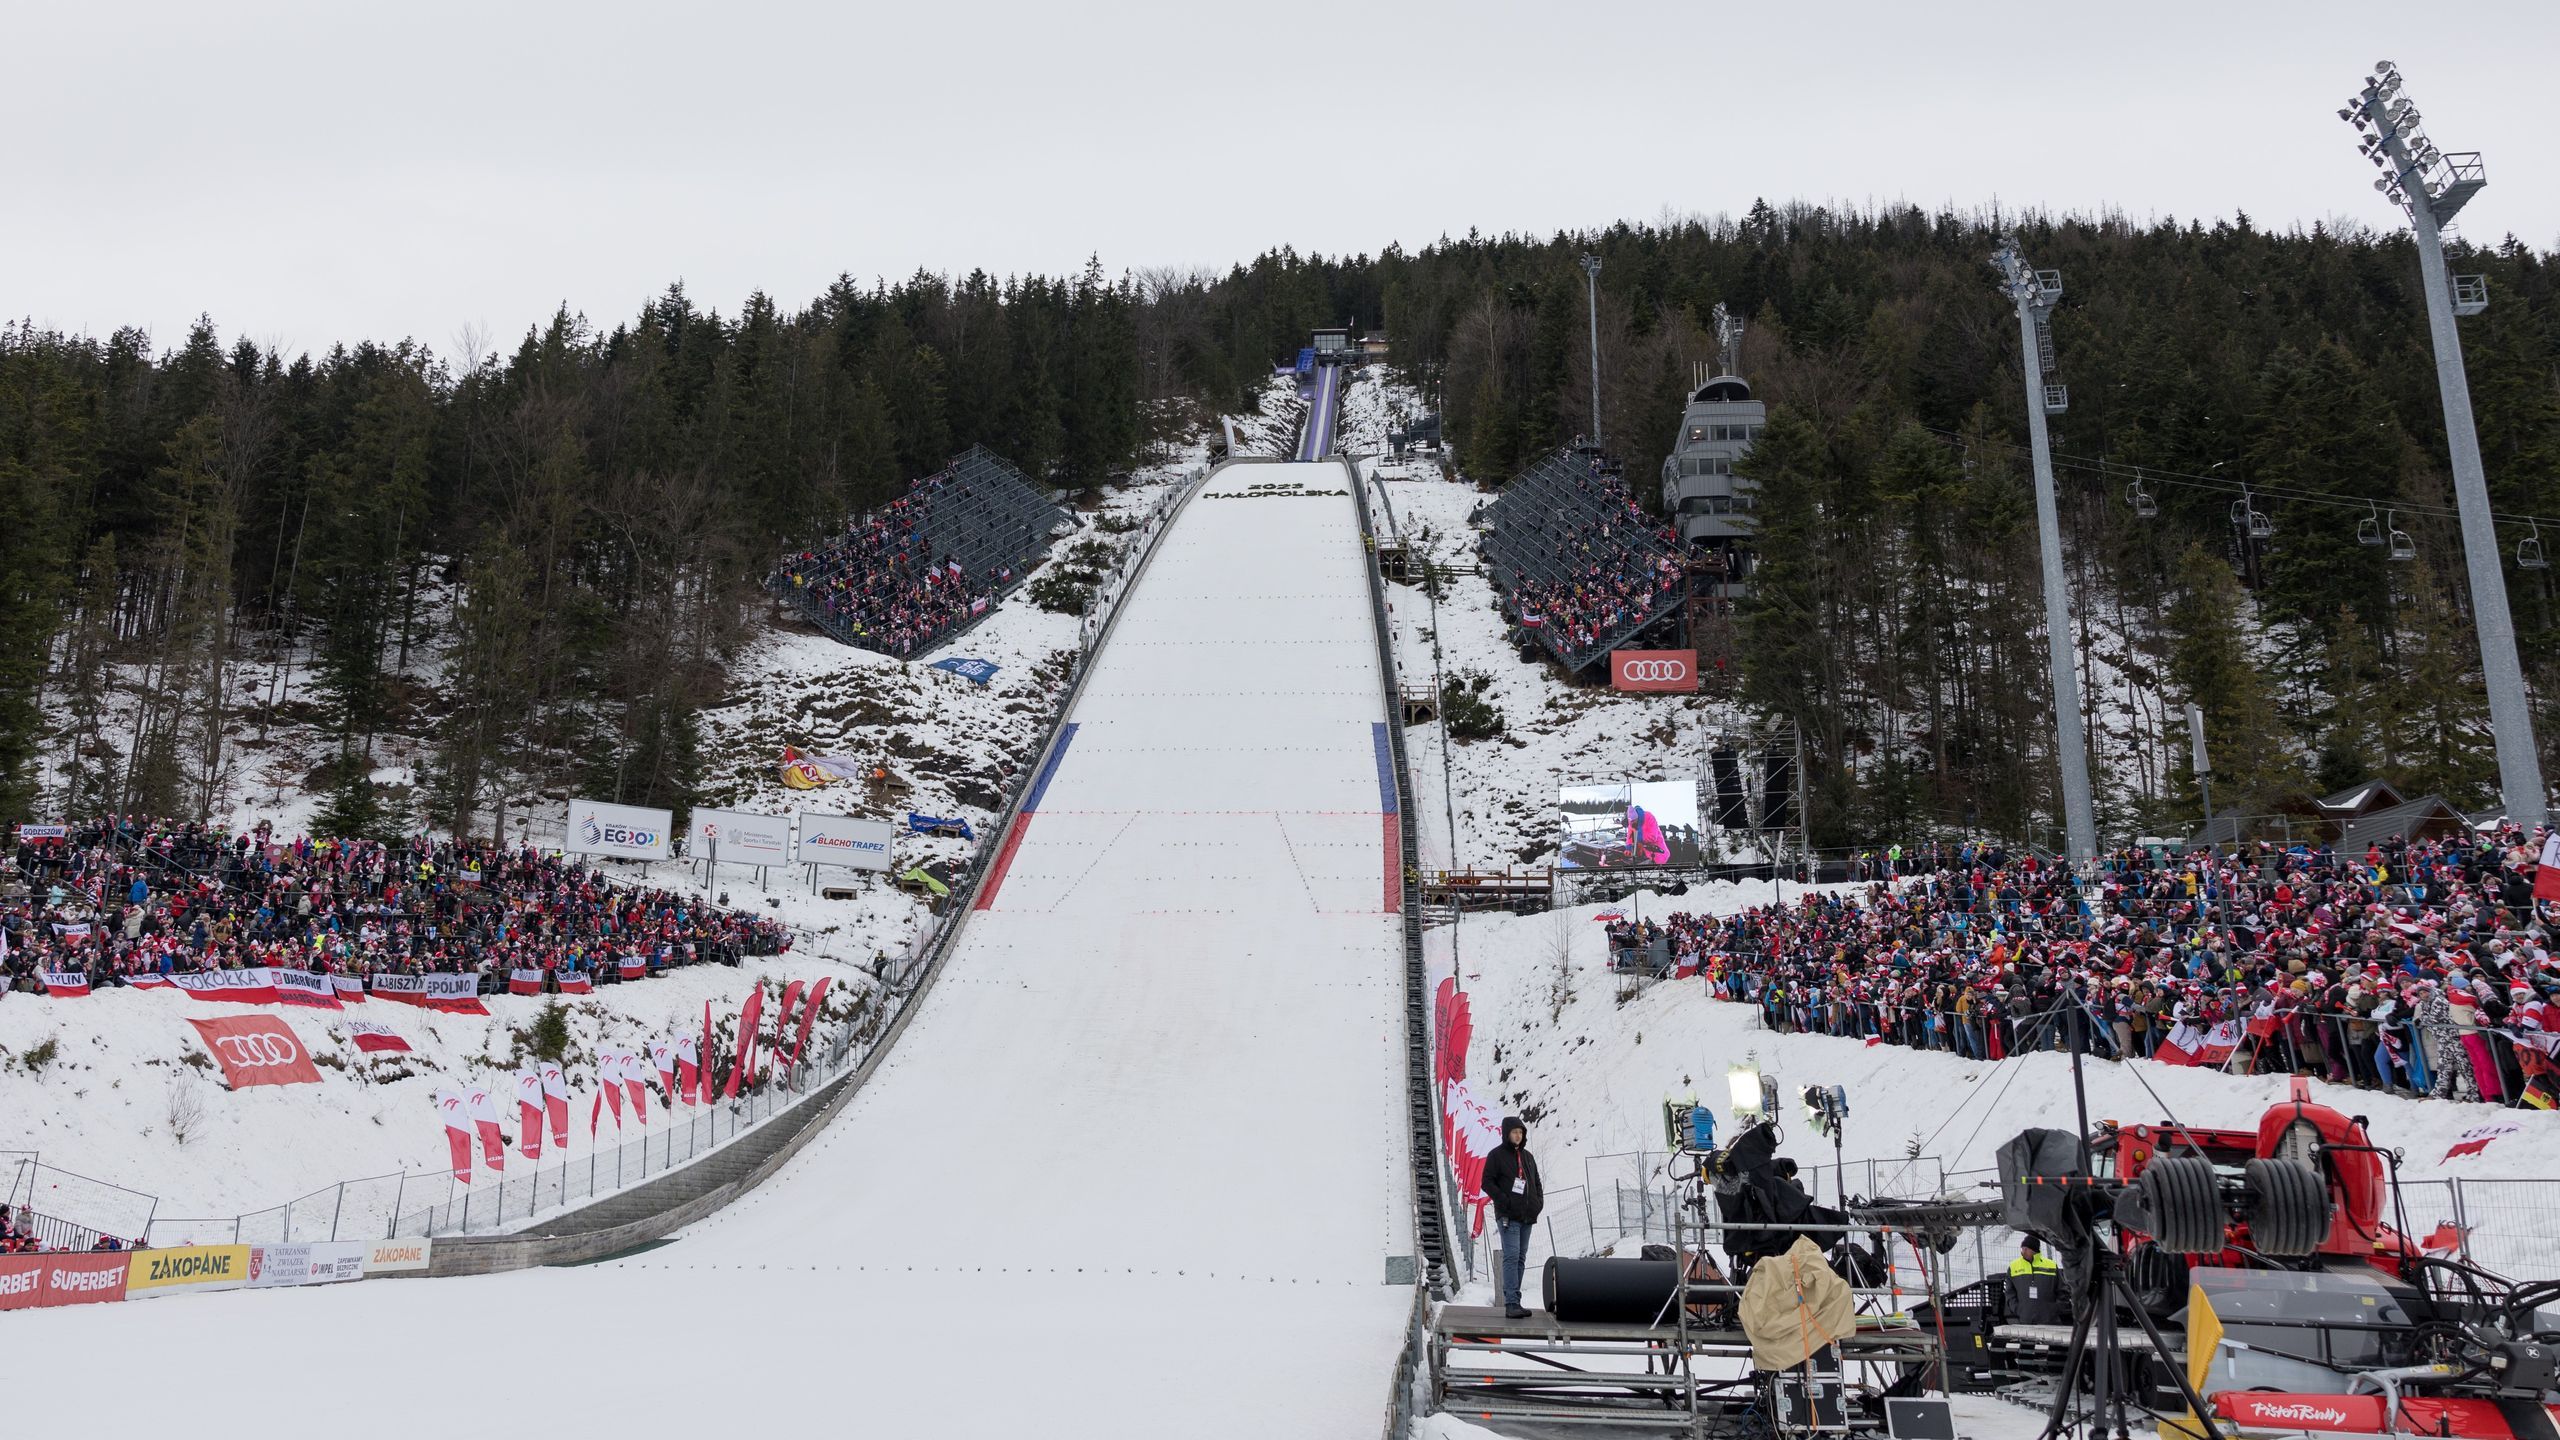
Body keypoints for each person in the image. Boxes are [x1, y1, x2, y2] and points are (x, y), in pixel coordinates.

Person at [1482, 1116, 1545, 1319]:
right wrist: (1503, 1200)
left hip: (1527, 1216)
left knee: (1520, 1258)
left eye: (1521, 1132)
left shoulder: (1528, 1157)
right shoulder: (1496, 1156)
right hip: (1509, 1215)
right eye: (1514, 1132)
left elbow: (1536, 1182)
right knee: (1511, 1256)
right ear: (1506, 1133)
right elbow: (1487, 1182)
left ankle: (1515, 1299)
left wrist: (1538, 1203)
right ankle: (1510, 1302)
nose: (1518, 1135)